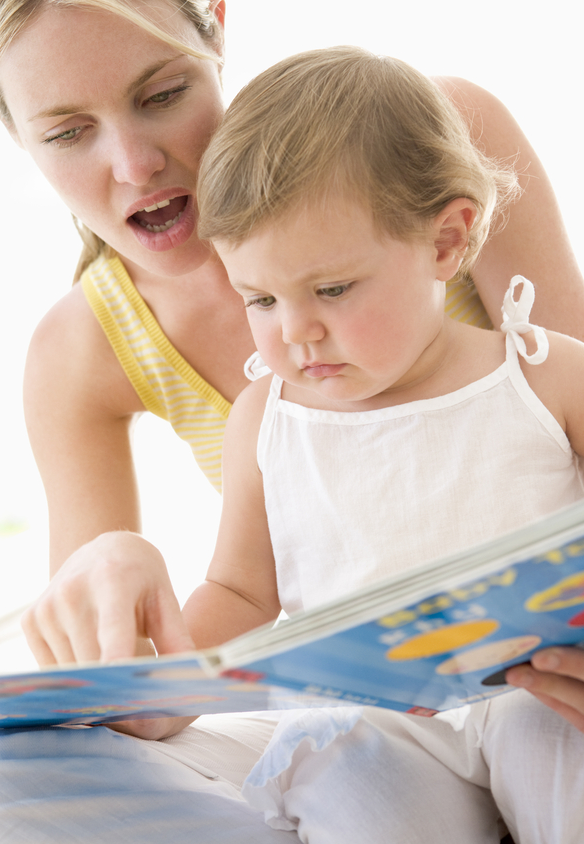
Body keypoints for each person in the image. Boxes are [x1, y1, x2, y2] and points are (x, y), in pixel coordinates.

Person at [0, 0, 583, 844]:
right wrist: (121, 601)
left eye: (161, 93)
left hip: (541, 682)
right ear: (10, 130)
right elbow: (166, 647)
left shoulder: (425, 137)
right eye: (66, 130)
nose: (132, 164)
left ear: (215, 29)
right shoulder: (86, 347)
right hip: (371, 724)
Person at [187, 45, 584, 841]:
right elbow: (238, 591)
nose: (294, 332)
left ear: (445, 242)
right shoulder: (265, 419)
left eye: (331, 288)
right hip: (371, 717)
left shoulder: (545, 375)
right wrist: (159, 677)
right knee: (347, 778)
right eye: (259, 297)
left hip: (536, 693)